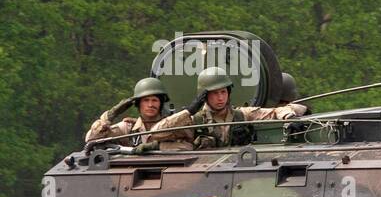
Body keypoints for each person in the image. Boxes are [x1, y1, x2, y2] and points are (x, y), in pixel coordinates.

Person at [154, 67, 309, 149]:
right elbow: (156, 133)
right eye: (214, 93)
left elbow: (274, 112)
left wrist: (289, 116)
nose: (220, 97)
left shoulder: (242, 115)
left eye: (223, 92)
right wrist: (189, 111)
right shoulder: (195, 121)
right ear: (204, 95)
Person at [85, 77, 191, 151]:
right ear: (138, 104)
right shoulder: (128, 128)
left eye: (155, 100)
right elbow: (92, 138)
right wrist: (111, 114)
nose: (150, 104)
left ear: (161, 103)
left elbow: (188, 146)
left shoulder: (172, 127)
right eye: (146, 100)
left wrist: (158, 146)